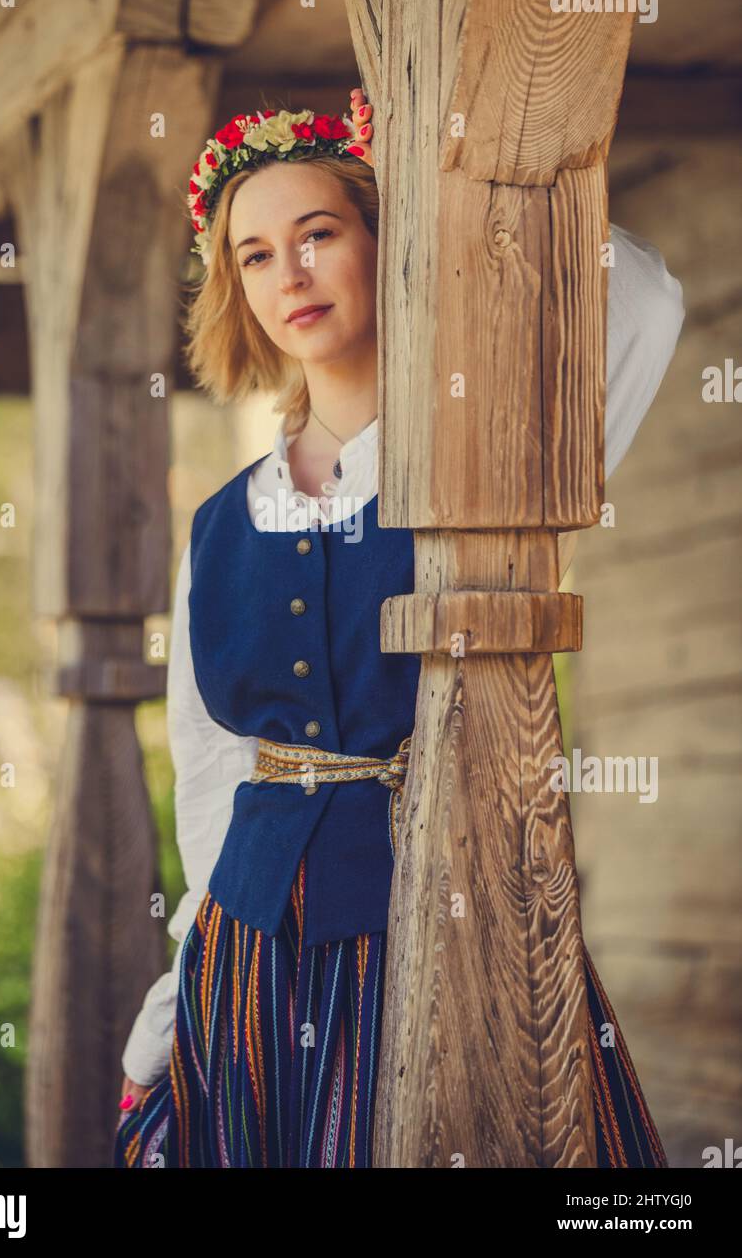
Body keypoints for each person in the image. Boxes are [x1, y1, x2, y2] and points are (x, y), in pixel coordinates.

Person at [113, 89, 685, 1168]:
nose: (289, 274)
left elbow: (648, 301)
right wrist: (167, 1014)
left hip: (454, 931)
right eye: (255, 255)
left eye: (319, 234)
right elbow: (211, 778)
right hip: (253, 966)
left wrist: (435, 168)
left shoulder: (501, 451)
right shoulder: (219, 524)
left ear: (387, 237)